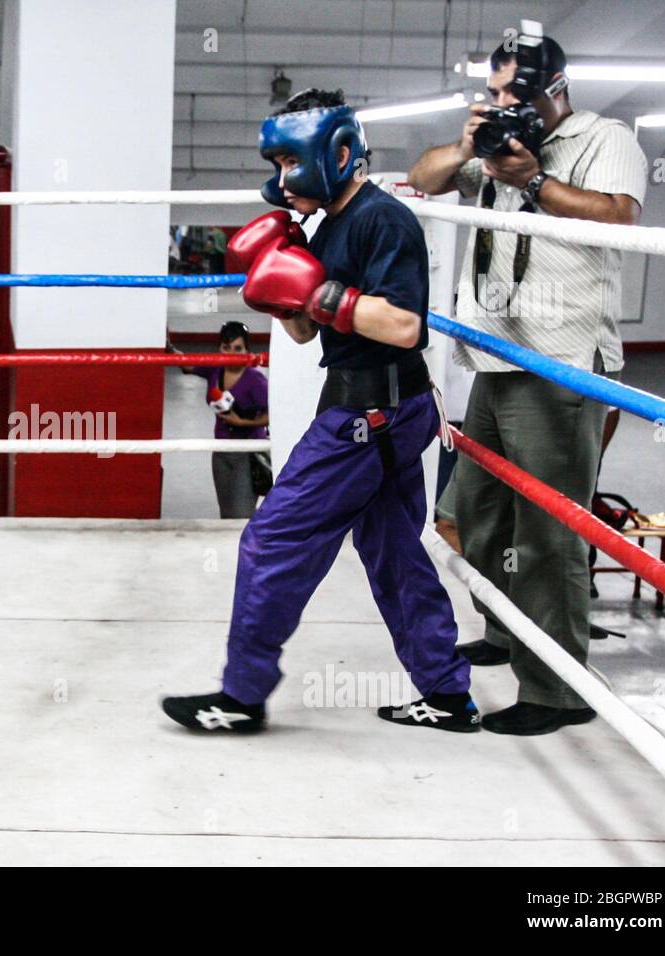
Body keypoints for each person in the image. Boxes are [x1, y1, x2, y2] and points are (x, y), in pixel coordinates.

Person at [162, 88, 476, 736]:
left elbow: (403, 324)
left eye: (289, 164)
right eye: (275, 166)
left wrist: (318, 290)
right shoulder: (325, 228)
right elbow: (309, 337)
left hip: (371, 415)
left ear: (334, 153)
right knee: (393, 552)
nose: (281, 181)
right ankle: (446, 693)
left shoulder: (383, 220)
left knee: (271, 539)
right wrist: (285, 299)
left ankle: (241, 697)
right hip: (379, 410)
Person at [408, 26, 647, 735]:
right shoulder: (491, 146)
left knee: (548, 534)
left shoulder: (608, 139)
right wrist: (468, 142)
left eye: (518, 92)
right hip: (494, 357)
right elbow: (423, 178)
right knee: (472, 517)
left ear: (556, 89)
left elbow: (620, 217)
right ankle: (509, 629)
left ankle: (558, 689)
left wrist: (534, 182)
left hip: (564, 362)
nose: (505, 102)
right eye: (495, 91)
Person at [185, 321, 270, 518]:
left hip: (247, 453)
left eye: (237, 348)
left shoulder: (256, 381)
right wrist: (168, 347)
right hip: (221, 451)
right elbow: (187, 364)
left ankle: (248, 548)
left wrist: (243, 423)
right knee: (226, 513)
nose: (231, 353)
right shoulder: (215, 370)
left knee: (241, 515)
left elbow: (274, 415)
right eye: (226, 348)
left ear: (247, 350)